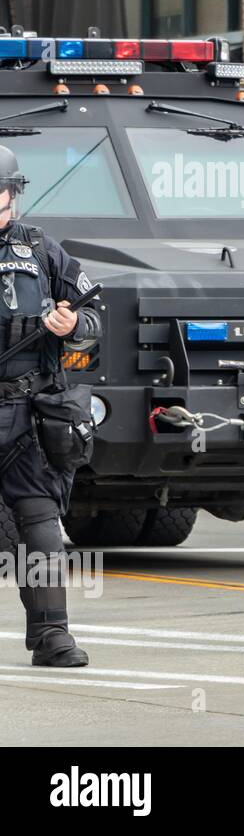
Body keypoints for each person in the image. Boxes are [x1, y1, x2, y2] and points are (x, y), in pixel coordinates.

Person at [0, 143, 100, 667]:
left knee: (39, 524)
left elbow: (91, 317)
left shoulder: (40, 249)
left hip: (23, 414)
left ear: (13, 194)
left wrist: (73, 327)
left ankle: (51, 635)